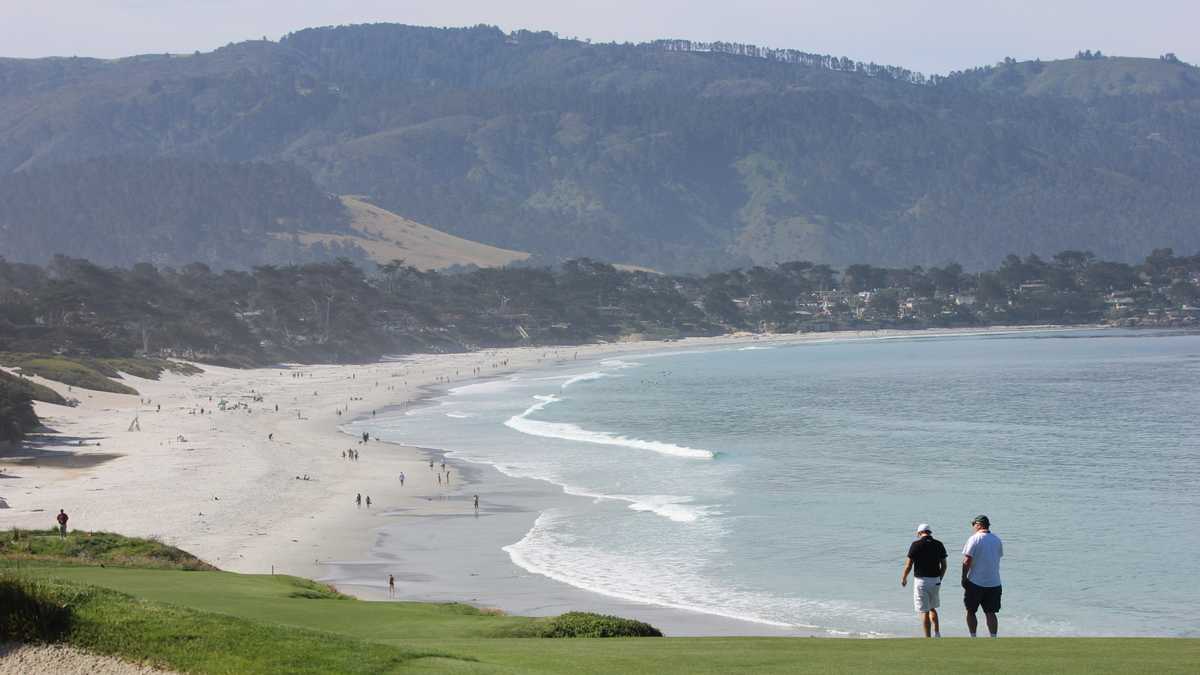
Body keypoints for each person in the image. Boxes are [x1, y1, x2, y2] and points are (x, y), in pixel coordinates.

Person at [901, 523, 947, 638]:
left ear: (919, 533)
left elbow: (909, 564)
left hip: (921, 581)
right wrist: (939, 578)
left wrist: (904, 577)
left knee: (924, 611)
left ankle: (927, 638)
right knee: (932, 607)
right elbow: (944, 565)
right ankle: (937, 633)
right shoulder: (938, 544)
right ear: (930, 532)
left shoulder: (916, 545)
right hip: (935, 580)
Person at [962, 514, 1004, 638]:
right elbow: (997, 557)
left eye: (974, 525)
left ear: (979, 525)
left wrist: (964, 578)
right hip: (994, 582)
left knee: (971, 611)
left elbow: (967, 560)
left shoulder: (974, 539)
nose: (973, 527)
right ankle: (993, 637)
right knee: (991, 612)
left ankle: (973, 636)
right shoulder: (996, 539)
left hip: (976, 582)